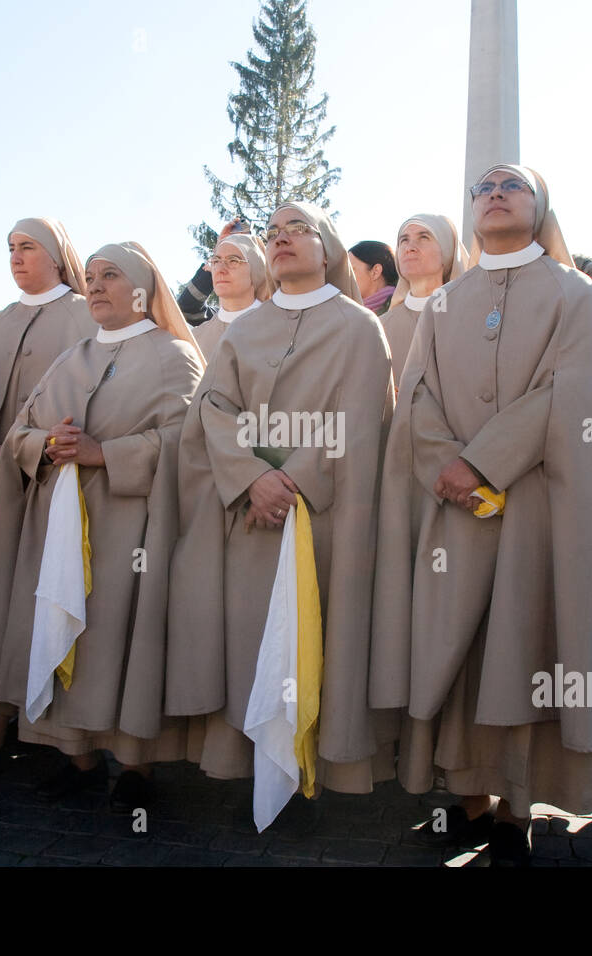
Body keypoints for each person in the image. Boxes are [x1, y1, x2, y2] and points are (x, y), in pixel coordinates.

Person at [370, 166, 592, 866]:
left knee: (526, 644)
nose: (496, 193)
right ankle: (468, 796)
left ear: (539, 207)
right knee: (459, 646)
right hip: (452, 506)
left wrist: (481, 462)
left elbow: (568, 393)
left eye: (512, 185)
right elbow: (414, 394)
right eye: (484, 187)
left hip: (539, 501)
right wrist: (445, 463)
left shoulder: (574, 294)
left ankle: (518, 806)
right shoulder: (447, 301)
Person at [167, 202, 394, 830]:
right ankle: (255, 769)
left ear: (329, 251)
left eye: (299, 230)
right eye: (274, 233)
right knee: (249, 640)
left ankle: (311, 772)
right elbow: (212, 406)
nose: (283, 239)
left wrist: (291, 480)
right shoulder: (243, 329)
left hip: (324, 520)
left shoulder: (357, 328)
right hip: (250, 518)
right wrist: (250, 477)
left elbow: (362, 420)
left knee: (316, 638)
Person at [0, 242, 203, 807]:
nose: (95, 285)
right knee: (63, 630)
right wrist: (45, 446)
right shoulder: (70, 356)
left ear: (145, 287)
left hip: (131, 531)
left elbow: (190, 445)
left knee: (121, 642)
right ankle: (77, 756)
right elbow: (20, 432)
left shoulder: (176, 355)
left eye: (111, 276)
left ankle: (136, 769)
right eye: (91, 276)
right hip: (57, 527)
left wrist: (107, 454)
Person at [0, 218, 98, 789]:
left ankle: (60, 733)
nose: (15, 256)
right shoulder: (3, 321)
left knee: (49, 598)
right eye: (9, 247)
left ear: (57, 254)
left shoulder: (84, 314)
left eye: (27, 246)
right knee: (0, 600)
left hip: (55, 486)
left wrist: (26, 452)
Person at [381, 214, 468, 385]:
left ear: (447, 250)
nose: (410, 248)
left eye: (424, 237)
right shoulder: (380, 327)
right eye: (404, 240)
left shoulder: (471, 316)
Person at [190, 233, 271, 362]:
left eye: (233, 260)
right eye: (216, 261)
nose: (220, 269)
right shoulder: (196, 339)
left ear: (256, 269)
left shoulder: (280, 329)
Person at [348, 240, 398, 316]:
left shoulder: (399, 310)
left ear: (375, 272)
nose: (347, 276)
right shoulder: (348, 313)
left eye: (351, 270)